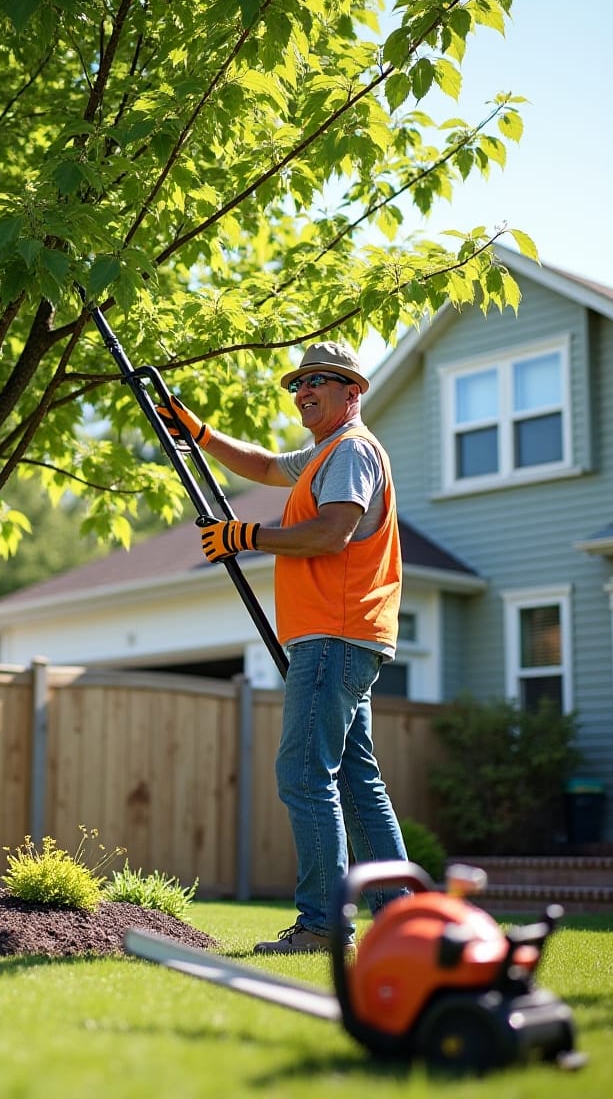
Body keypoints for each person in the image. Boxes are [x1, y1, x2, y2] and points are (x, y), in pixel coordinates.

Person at [159, 341, 409, 955]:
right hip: (350, 636)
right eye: (298, 383)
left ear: (353, 392)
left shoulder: (349, 451)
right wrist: (200, 431)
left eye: (319, 381)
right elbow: (268, 466)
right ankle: (406, 921)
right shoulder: (327, 452)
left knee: (303, 773)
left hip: (333, 632)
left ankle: (323, 927)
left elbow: (331, 531)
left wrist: (246, 534)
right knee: (357, 780)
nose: (303, 391)